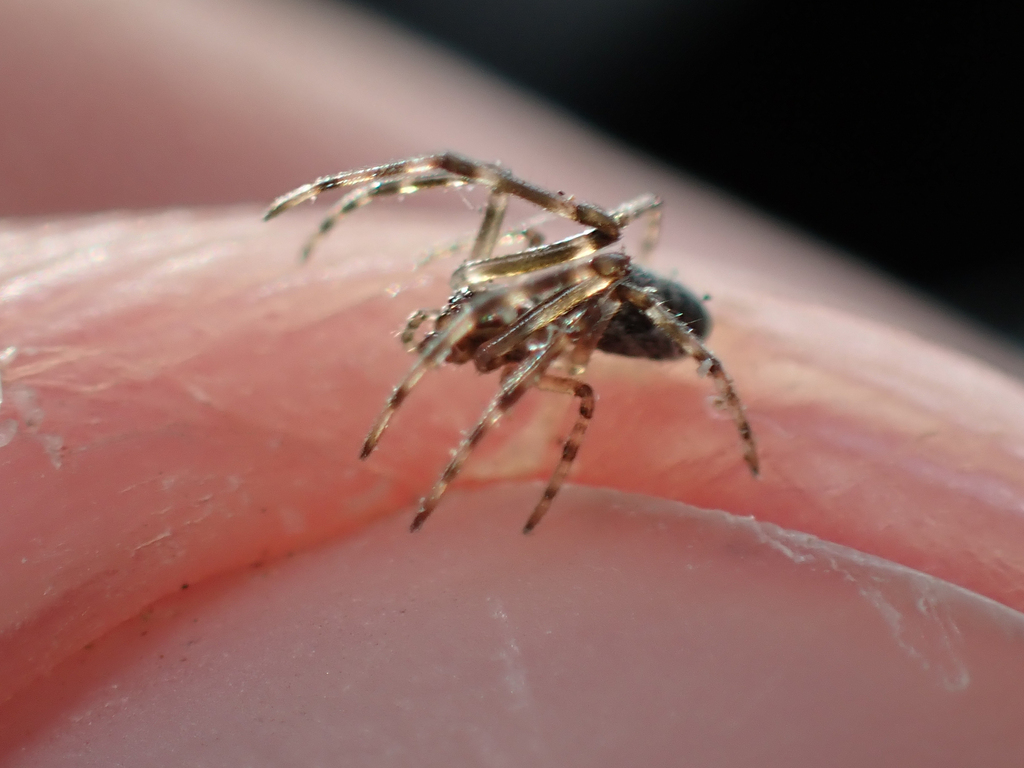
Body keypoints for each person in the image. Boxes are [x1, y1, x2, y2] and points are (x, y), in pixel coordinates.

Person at [2, 0, 1024, 763]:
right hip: (599, 301)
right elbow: (477, 194)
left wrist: (478, 458)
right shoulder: (480, 285)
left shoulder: (555, 328)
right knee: (514, 235)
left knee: (583, 276)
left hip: (648, 323)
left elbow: (583, 322)